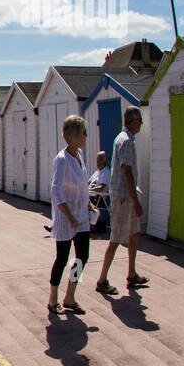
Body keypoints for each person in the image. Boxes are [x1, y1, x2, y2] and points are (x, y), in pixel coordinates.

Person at [48, 115, 97, 316]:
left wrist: (89, 203)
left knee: (82, 256)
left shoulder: (80, 155)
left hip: (81, 217)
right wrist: (70, 217)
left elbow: (82, 184)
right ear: (74, 135)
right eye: (83, 132)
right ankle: (53, 299)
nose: (86, 135)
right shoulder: (61, 160)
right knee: (62, 258)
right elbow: (56, 191)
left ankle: (70, 296)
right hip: (67, 219)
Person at [95, 107, 146, 296]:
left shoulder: (125, 139)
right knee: (116, 239)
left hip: (127, 198)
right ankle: (102, 280)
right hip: (124, 199)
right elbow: (127, 173)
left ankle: (131, 274)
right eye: (140, 120)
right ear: (133, 121)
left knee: (134, 233)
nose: (141, 123)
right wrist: (136, 201)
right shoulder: (125, 141)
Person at [88, 151, 111, 233]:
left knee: (79, 200)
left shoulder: (106, 172)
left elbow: (101, 188)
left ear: (105, 161)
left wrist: (88, 190)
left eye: (100, 159)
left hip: (98, 197)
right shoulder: (97, 172)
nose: (97, 162)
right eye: (97, 159)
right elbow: (88, 182)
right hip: (90, 195)